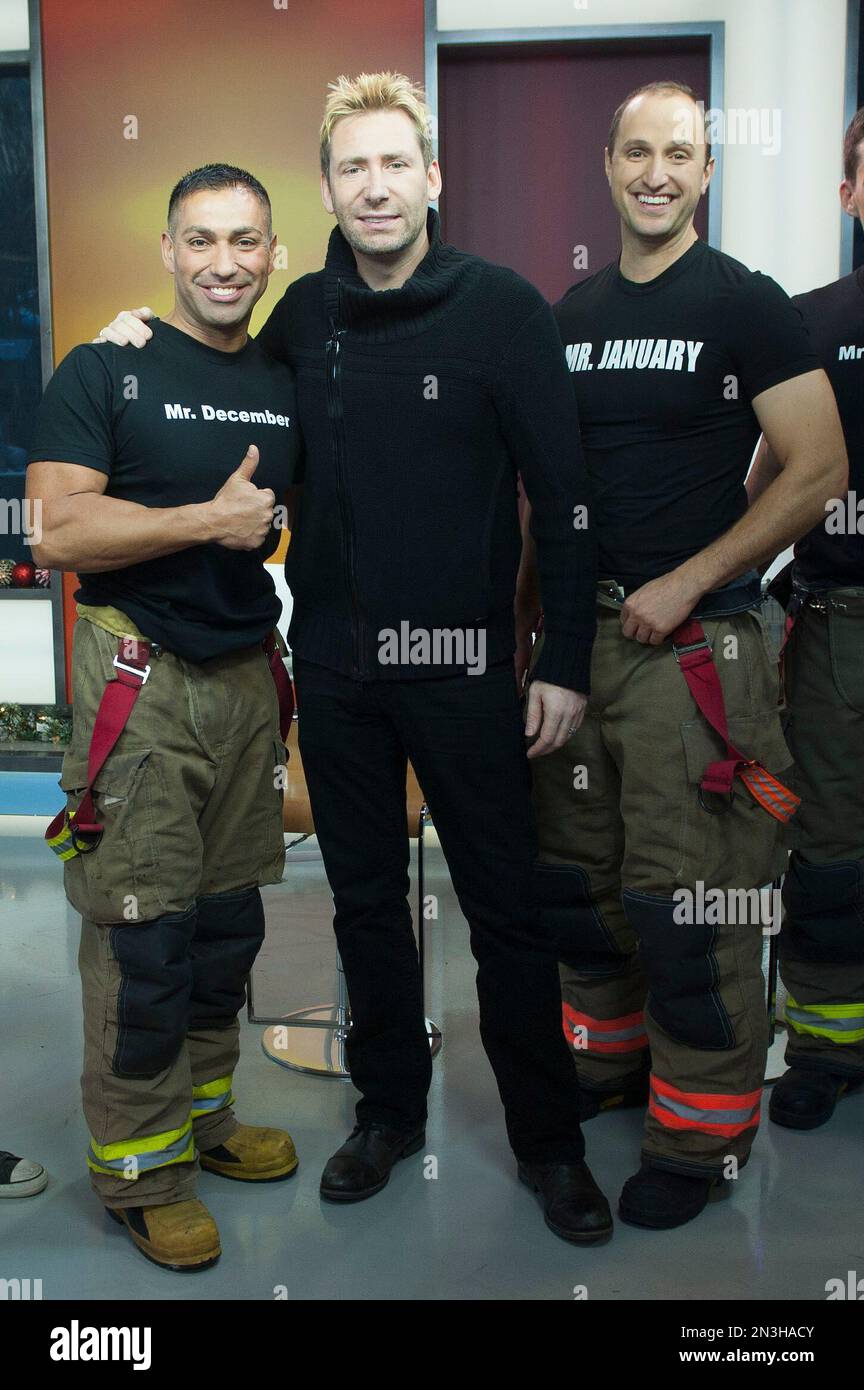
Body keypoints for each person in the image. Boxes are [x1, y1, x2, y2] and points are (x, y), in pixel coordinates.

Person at [96, 73, 610, 1245]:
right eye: (352, 168)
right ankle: (387, 1114)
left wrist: (564, 658)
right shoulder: (306, 314)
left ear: (432, 178)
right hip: (333, 668)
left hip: (471, 670)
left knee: (507, 910)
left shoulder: (502, 309)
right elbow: (210, 377)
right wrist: (126, 339)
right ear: (327, 188)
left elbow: (567, 500)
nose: (374, 186)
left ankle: (550, 1143)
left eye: (396, 164)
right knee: (365, 908)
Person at [517, 81, 847, 1229]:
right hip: (583, 652)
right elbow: (547, 498)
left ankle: (700, 1134)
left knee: (691, 905)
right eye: (638, 151)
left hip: (698, 654)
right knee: (581, 890)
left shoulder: (746, 303)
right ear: (609, 164)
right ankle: (609, 1068)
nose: (658, 172)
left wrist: (690, 578)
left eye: (682, 155)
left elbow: (816, 470)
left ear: (708, 172)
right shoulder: (568, 313)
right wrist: (536, 638)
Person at [26, 165, 302, 1272]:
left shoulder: (284, 377)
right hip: (138, 672)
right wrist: (208, 520)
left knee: (224, 923)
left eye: (244, 241)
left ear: (274, 254)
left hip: (245, 679)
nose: (224, 261)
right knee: (144, 934)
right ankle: (141, 1169)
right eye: (201, 240)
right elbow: (54, 532)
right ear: (167, 250)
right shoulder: (106, 365)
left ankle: (203, 1117)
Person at [747, 108, 864, 1130]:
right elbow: (762, 487)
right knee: (827, 842)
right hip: (838, 630)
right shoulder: (807, 324)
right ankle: (827, 1045)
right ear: (850, 194)